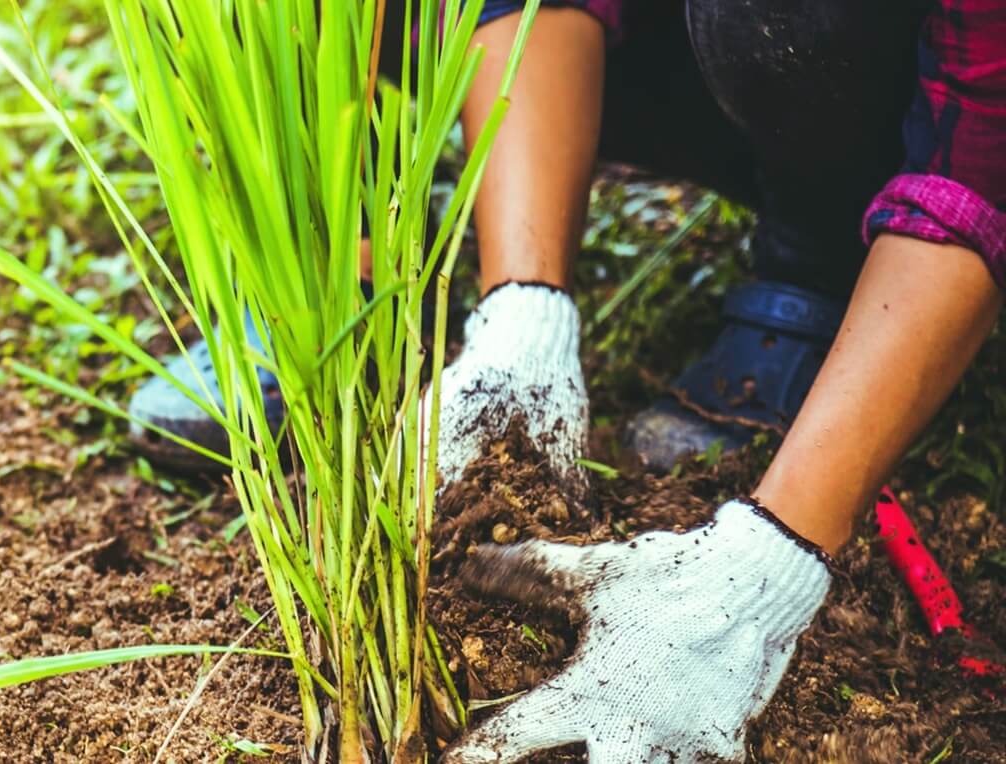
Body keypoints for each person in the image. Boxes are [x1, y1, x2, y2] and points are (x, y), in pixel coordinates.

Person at [131, 1, 1005, 759]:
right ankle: (332, 275)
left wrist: (766, 565)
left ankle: (814, 263)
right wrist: (525, 309)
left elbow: (979, 149)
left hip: (872, 83)